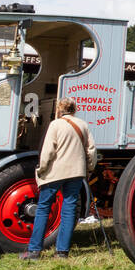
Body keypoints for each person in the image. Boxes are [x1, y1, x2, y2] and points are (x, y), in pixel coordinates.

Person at [25, 98, 97, 260]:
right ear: (74, 110)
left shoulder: (55, 125)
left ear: (59, 110)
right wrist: (89, 169)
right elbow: (91, 151)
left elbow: (48, 151)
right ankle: (62, 251)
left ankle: (34, 250)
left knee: (43, 208)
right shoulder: (83, 125)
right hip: (76, 173)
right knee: (69, 210)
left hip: (55, 173)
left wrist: (41, 169)